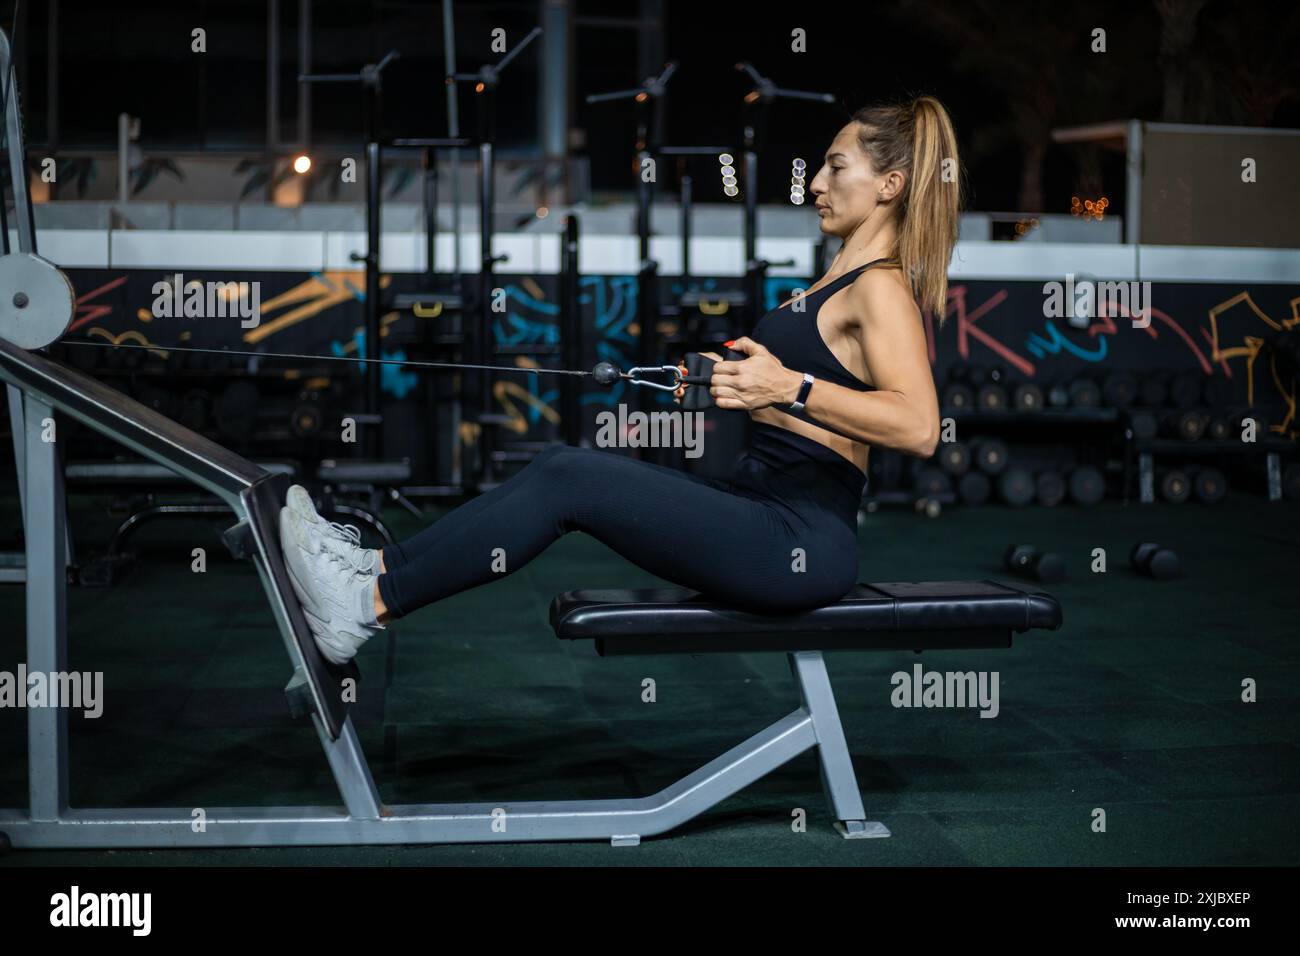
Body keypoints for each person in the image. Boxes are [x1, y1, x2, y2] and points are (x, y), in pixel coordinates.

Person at [280, 96, 961, 665]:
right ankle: (372, 572)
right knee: (559, 464)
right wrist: (726, 379)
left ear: (889, 185)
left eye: (835, 167)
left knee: (569, 478)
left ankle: (364, 608)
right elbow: (796, 392)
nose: (814, 181)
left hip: (799, 541)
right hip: (759, 506)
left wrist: (788, 388)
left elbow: (918, 427)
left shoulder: (880, 288)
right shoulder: (836, 278)